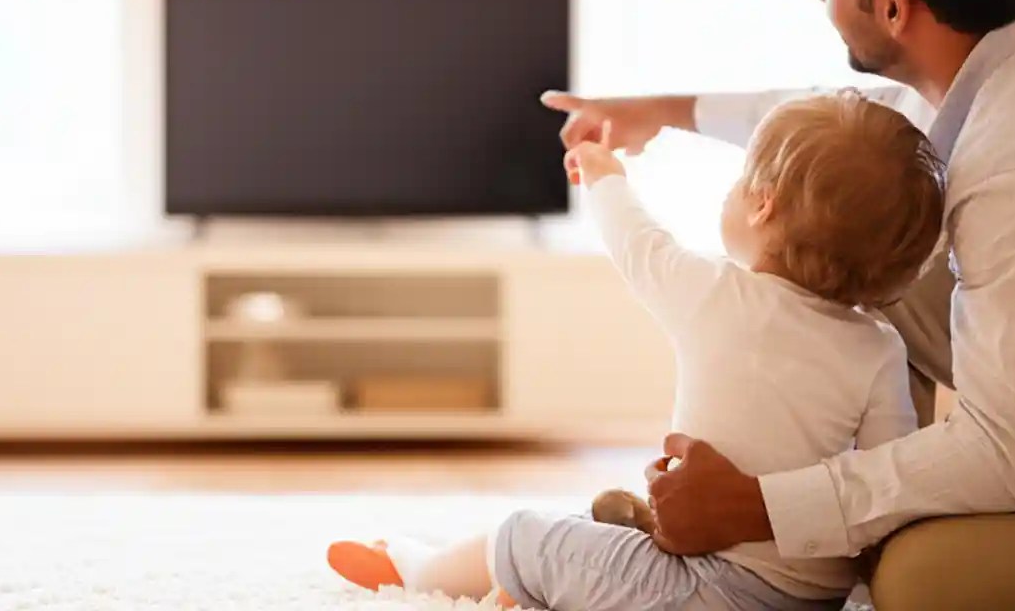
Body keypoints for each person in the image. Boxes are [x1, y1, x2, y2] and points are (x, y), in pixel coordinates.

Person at [546, 0, 1015, 563]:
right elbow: (835, 130)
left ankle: (786, 541)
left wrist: (758, 505)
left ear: (891, 5)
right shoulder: (1014, 54)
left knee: (921, 585)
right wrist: (658, 112)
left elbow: (1003, 454)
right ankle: (792, 539)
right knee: (848, 223)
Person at [326, 91, 945, 610]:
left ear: (763, 202)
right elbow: (887, 476)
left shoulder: (716, 294)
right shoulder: (879, 347)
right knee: (600, 523)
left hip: (711, 589)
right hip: (813, 597)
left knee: (523, 535)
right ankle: (526, 588)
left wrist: (602, 173)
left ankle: (414, 569)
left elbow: (635, 241)